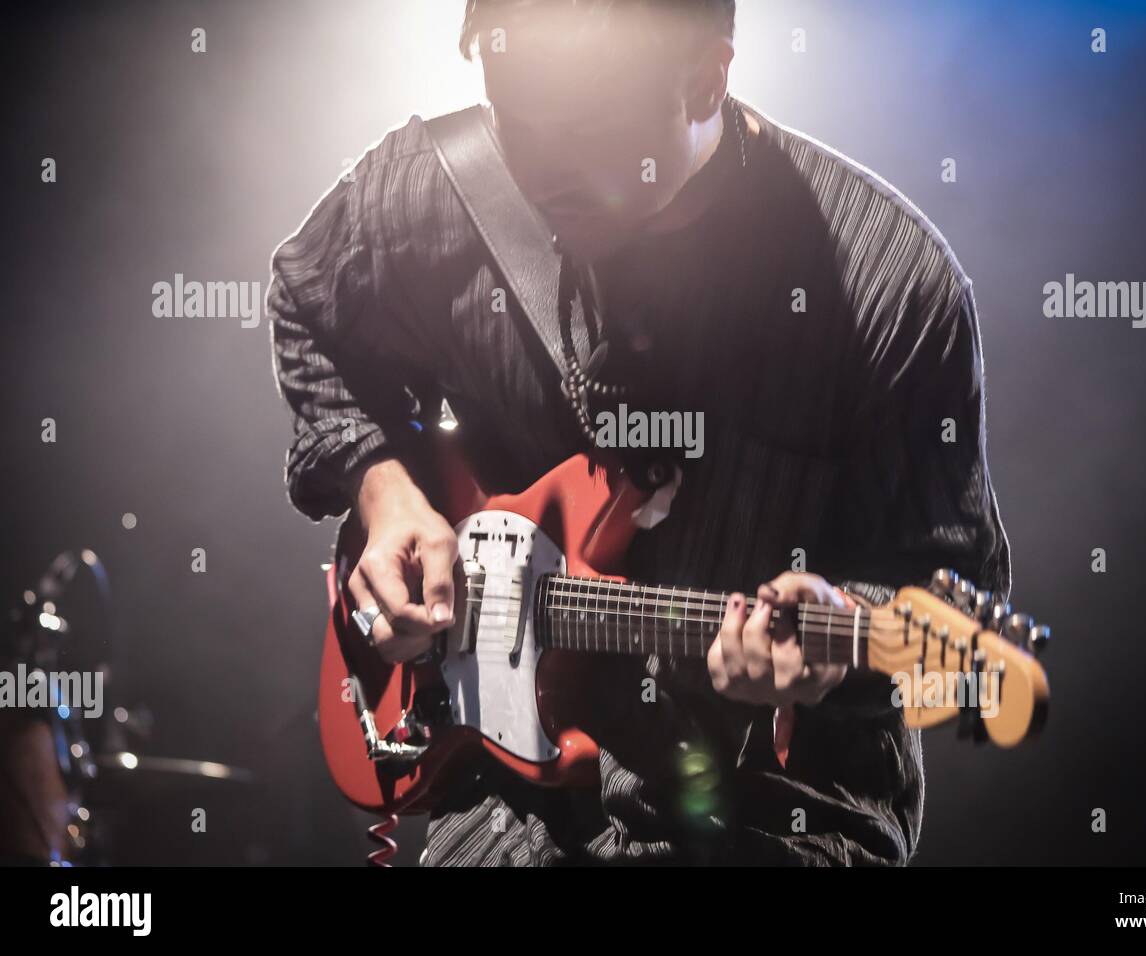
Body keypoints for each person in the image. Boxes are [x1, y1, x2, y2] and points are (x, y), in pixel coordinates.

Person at [269, 0, 1010, 865]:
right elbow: (307, 303)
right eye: (515, 117)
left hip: (778, 823)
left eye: (586, 130)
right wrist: (386, 493)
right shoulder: (447, 185)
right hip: (511, 819)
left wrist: (843, 634)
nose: (540, 173)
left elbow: (960, 625)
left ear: (705, 79)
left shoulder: (892, 286)